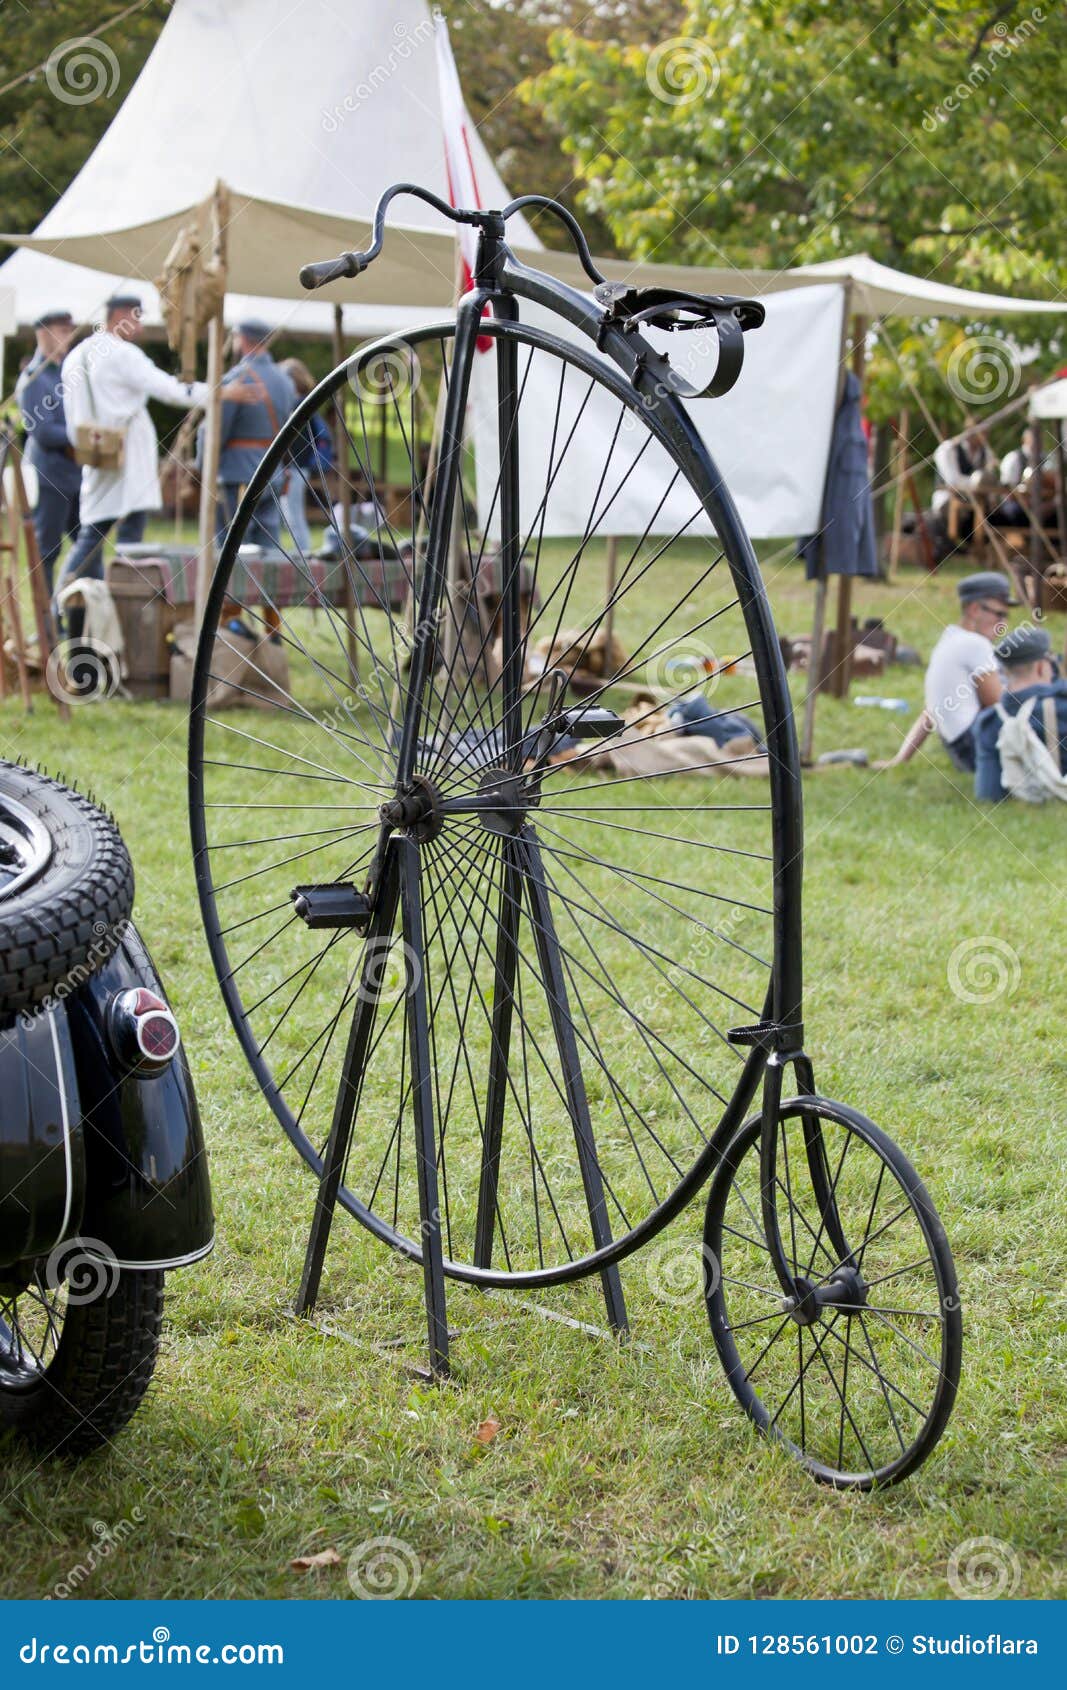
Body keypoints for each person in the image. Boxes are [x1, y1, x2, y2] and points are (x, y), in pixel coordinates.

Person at [56, 295, 208, 612]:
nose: (139, 326)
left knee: (92, 536)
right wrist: (215, 392)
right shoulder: (122, 354)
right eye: (136, 318)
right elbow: (170, 390)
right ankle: (121, 607)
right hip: (128, 456)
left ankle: (67, 605)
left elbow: (73, 422)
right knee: (127, 540)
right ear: (121, 316)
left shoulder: (75, 356)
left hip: (96, 454)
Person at [883, 572, 1014, 772]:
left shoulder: (949, 638)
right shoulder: (975, 644)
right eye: (999, 615)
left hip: (959, 753)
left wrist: (901, 759)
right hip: (976, 749)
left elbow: (931, 712)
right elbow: (1000, 706)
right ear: (975, 609)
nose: (1004, 624)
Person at [213, 320, 296, 550]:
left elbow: (219, 431)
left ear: (242, 339)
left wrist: (204, 463)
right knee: (269, 545)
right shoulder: (285, 381)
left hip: (238, 472)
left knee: (232, 548)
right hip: (273, 471)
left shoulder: (237, 379)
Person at [14, 310, 81, 595]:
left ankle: (78, 609)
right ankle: (46, 615)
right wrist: (81, 436)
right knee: (47, 551)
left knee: (87, 543)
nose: (68, 337)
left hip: (75, 474)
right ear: (44, 334)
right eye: (62, 331)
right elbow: (41, 432)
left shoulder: (65, 373)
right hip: (49, 475)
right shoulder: (34, 378)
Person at [974, 626, 1067, 801]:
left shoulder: (989, 722)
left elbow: (988, 793)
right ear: (1041, 666)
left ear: (1004, 671)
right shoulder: (1062, 703)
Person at [278, 357, 333, 554]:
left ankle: (304, 552)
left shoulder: (298, 405)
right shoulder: (306, 403)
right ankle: (303, 550)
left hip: (296, 468)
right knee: (290, 512)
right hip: (298, 467)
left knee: (293, 514)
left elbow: (298, 442)